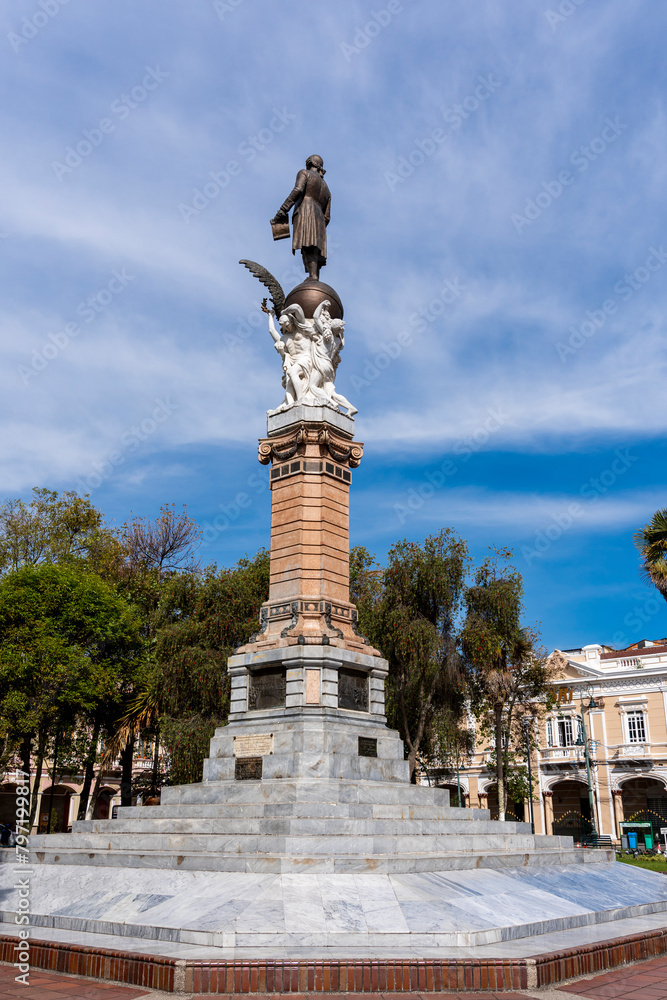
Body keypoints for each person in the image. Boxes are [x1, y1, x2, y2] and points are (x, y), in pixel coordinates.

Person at [271, 155, 331, 280]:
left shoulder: (304, 173)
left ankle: (313, 276)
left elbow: (298, 189)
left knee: (307, 244)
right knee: (314, 247)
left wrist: (283, 209)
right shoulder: (327, 189)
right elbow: (327, 216)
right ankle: (314, 276)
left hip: (306, 210)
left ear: (309, 163)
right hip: (319, 218)